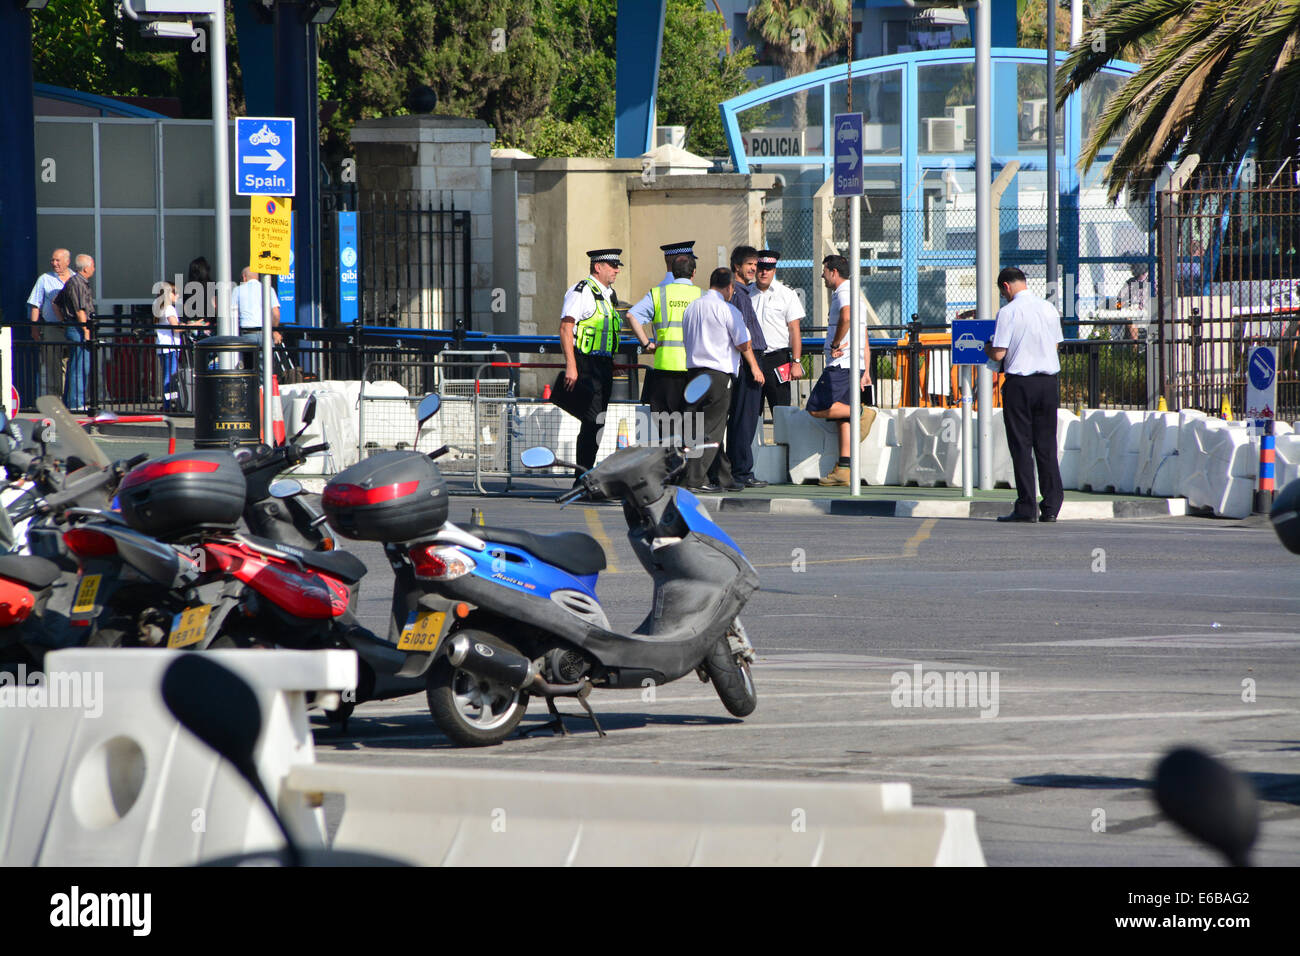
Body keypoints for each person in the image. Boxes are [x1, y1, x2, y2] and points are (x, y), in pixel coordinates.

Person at [984, 266, 1065, 523]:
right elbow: (1055, 344)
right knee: (1046, 446)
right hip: (1048, 383)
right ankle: (1051, 506)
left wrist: (986, 346)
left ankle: (1026, 506)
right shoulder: (1048, 308)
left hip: (1020, 384)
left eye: (1002, 292)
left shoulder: (1008, 312)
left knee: (1021, 446)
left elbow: (998, 354)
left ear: (1006, 287)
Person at [682, 268, 764, 492]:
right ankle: (694, 479)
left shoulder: (692, 308)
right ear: (729, 287)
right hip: (718, 375)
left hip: (693, 373)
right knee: (714, 430)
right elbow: (742, 342)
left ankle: (723, 477)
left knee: (700, 426)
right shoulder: (727, 309)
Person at [807, 254, 873, 487]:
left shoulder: (844, 292)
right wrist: (866, 368)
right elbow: (863, 333)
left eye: (824, 271)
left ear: (834, 272)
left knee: (815, 407)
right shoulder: (856, 293)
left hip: (842, 363)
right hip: (854, 363)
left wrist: (835, 344)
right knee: (842, 416)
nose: (822, 276)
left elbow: (846, 317)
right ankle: (844, 468)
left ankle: (862, 413)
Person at [558, 248, 623, 478]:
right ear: (598, 267)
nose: (617, 270)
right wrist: (571, 365)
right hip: (586, 363)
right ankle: (583, 477)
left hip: (603, 365)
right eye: (612, 266)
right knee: (591, 421)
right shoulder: (581, 291)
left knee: (597, 421)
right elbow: (566, 328)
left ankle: (585, 474)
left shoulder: (608, 294)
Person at [715, 245, 768, 489]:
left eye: (755, 266)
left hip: (747, 360)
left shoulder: (742, 293)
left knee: (741, 419)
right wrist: (755, 367)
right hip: (747, 362)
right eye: (750, 265)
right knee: (743, 420)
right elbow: (741, 336)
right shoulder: (738, 295)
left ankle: (738, 469)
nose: (754, 269)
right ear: (737, 267)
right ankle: (742, 471)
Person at [627, 250, 700, 421]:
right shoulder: (701, 296)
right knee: (691, 427)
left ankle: (669, 448)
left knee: (666, 427)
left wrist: (647, 345)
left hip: (664, 368)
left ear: (673, 273)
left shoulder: (658, 294)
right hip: (693, 368)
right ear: (694, 273)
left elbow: (631, 315)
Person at [750, 249, 806, 415]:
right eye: (760, 268)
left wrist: (796, 361)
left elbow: (794, 330)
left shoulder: (787, 294)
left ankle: (784, 442)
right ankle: (753, 442)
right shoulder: (746, 293)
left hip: (777, 359)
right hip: (752, 359)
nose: (764, 272)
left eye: (768, 268)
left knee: (781, 411)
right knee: (752, 411)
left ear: (774, 270)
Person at [26, 247, 72, 397]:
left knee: (73, 364)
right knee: (54, 367)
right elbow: (35, 305)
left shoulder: (75, 278)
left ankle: (74, 401)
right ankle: (56, 400)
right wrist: (35, 329)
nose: (54, 263)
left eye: (58, 260)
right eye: (52, 260)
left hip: (72, 328)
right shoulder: (44, 279)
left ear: (67, 261)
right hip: (52, 328)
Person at [53, 254, 95, 412]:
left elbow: (55, 303)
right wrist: (85, 330)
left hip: (74, 327)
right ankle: (77, 402)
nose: (94, 269)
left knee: (75, 365)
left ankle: (70, 401)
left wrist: (63, 322)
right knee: (81, 366)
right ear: (86, 268)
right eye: (93, 266)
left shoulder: (73, 282)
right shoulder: (77, 283)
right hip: (79, 328)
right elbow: (80, 309)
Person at [232, 266, 282, 343]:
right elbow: (276, 314)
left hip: (247, 334)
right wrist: (274, 331)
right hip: (266, 335)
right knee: (268, 354)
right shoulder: (269, 289)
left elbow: (231, 313)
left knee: (248, 354)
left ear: (244, 277)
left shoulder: (237, 290)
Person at [155, 281, 182, 411]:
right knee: (171, 377)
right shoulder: (170, 308)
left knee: (167, 375)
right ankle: (170, 404)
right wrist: (189, 326)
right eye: (175, 293)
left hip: (162, 346)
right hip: (171, 347)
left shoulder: (159, 307)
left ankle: (168, 403)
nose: (177, 296)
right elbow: (175, 328)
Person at [1112, 262, 1149, 340]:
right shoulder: (1130, 282)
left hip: (1147, 312)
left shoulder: (1151, 281)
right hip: (1133, 312)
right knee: (1128, 320)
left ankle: (1135, 349)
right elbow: (1119, 298)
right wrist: (1119, 308)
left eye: (1133, 267)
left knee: (1132, 323)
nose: (1132, 270)